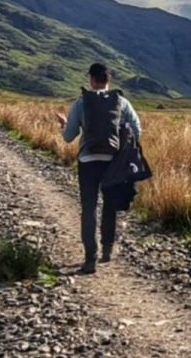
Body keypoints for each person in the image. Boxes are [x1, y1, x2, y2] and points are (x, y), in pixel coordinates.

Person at [54, 62, 141, 274]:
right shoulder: (122, 102)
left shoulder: (81, 103)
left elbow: (68, 137)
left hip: (88, 161)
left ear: (91, 80)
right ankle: (107, 250)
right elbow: (137, 130)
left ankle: (90, 259)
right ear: (108, 80)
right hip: (113, 161)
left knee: (89, 208)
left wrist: (64, 124)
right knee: (110, 206)